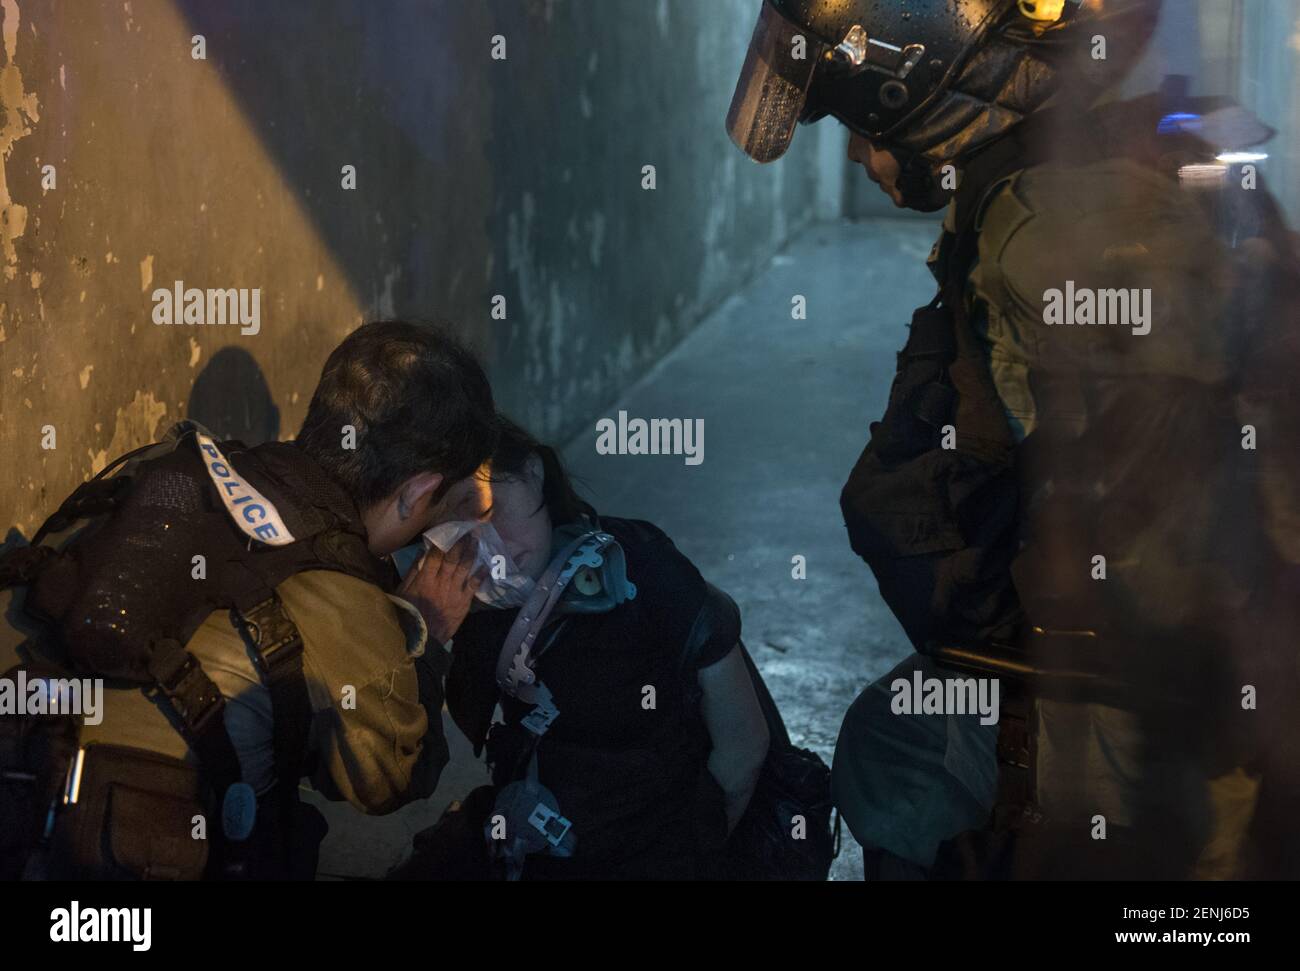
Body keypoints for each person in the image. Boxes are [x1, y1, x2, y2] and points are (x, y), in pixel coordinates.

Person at [726, 0, 1300, 878]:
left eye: (857, 121)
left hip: (1149, 743)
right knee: (891, 743)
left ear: (927, 81)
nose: (854, 153)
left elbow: (1152, 632)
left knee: (898, 765)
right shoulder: (1036, 192)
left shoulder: (1052, 234)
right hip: (1098, 669)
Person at [0, 320, 499, 879]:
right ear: (417, 492)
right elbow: (391, 780)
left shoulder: (168, 462)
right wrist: (423, 634)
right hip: (96, 856)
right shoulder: (350, 610)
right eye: (444, 505)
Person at [389, 419, 771, 880]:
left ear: (533, 473)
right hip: (537, 833)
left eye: (490, 511)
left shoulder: (643, 567)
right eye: (456, 529)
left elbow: (744, 746)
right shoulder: (458, 603)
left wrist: (693, 853)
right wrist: (422, 639)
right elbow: (396, 773)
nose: (491, 551)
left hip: (661, 844)